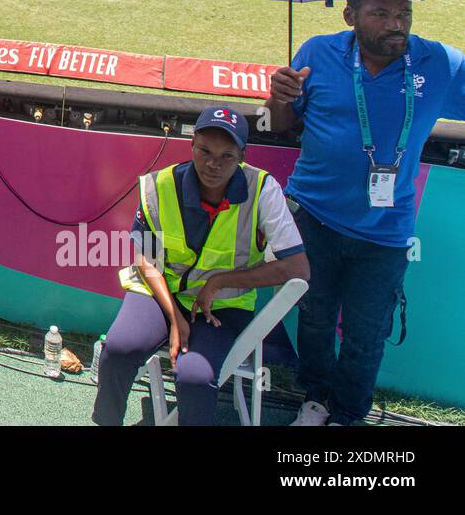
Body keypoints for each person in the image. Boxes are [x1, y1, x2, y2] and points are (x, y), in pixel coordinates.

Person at [267, 0, 465, 425]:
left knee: (366, 334)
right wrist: (278, 97)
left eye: (404, 13)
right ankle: (314, 401)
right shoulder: (317, 52)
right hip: (313, 218)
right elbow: (280, 124)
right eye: (381, 13)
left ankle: (348, 415)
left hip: (385, 232)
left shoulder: (437, 62)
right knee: (315, 318)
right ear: (351, 16)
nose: (396, 23)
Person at [92, 106, 309, 426]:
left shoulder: (262, 189)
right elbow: (146, 260)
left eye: (227, 156)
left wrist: (219, 282)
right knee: (118, 349)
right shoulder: (159, 186)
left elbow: (298, 269)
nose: (213, 164)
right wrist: (175, 317)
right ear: (192, 143)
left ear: (242, 155)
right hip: (159, 290)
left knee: (194, 377)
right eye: (205, 150)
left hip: (224, 305)